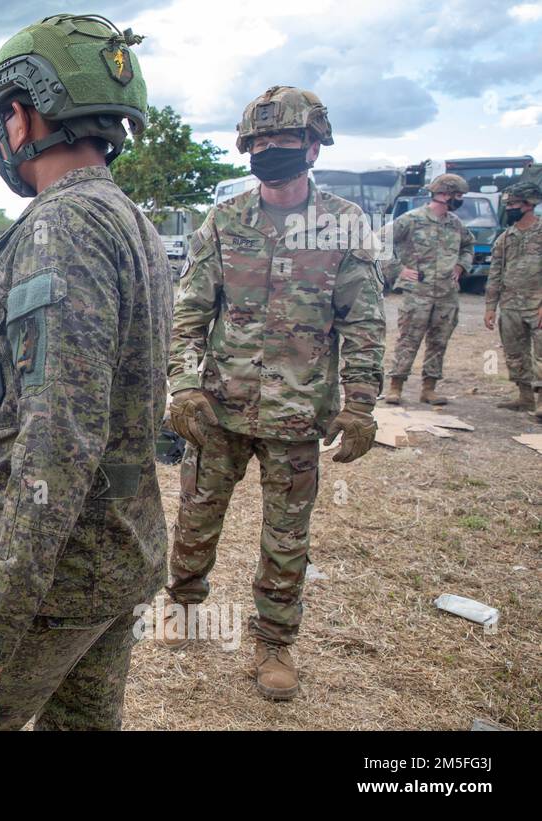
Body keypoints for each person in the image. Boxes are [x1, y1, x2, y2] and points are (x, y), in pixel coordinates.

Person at [0, 13, 171, 730]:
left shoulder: (61, 227)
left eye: (3, 118)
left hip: (43, 584)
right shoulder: (124, 217)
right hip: (114, 558)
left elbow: (58, 440)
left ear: (23, 115)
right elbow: (63, 367)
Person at [164, 86, 386, 701]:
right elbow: (188, 313)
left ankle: (275, 641)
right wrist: (183, 386)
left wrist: (361, 403)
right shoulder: (224, 220)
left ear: (313, 147)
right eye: (258, 143)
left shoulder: (343, 225)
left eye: (283, 143)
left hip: (297, 415)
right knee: (196, 516)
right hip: (219, 409)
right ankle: (183, 603)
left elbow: (364, 322)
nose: (269, 152)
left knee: (287, 537)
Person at [382, 174, 474, 406]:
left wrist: (462, 265)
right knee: (408, 340)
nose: (460, 200)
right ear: (443, 194)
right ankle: (396, 387)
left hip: (446, 294)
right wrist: (398, 269)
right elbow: (379, 242)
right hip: (417, 294)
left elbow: (468, 247)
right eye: (458, 196)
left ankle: (429, 389)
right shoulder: (411, 220)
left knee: (439, 341)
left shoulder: (455, 224)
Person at [484, 181, 542, 418]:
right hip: (510, 306)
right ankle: (525, 397)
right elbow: (495, 274)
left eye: (514, 204)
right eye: (507, 204)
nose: (509, 208)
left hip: (536, 305)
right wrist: (490, 307)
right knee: (515, 353)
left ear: (530, 204)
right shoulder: (505, 238)